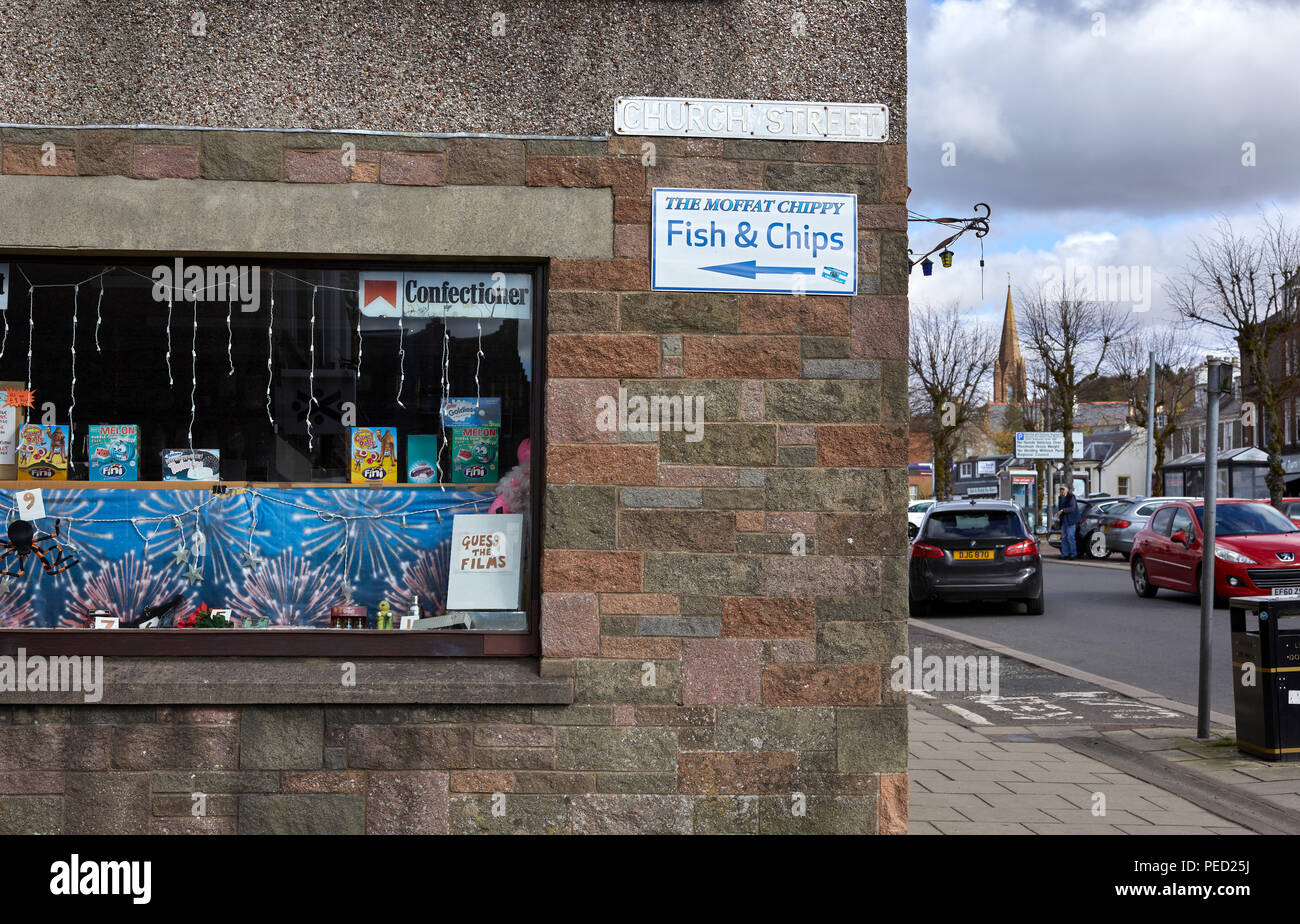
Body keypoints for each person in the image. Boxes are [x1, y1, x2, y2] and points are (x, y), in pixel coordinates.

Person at [1056, 485, 1080, 558]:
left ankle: (1073, 554)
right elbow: (1060, 508)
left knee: (1070, 537)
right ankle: (1065, 554)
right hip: (1064, 520)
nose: (1061, 491)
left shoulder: (1071, 497)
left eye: (1063, 489)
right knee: (1064, 537)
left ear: (1067, 490)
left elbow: (1072, 508)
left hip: (1071, 520)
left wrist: (1062, 511)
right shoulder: (1060, 497)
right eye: (1061, 489)